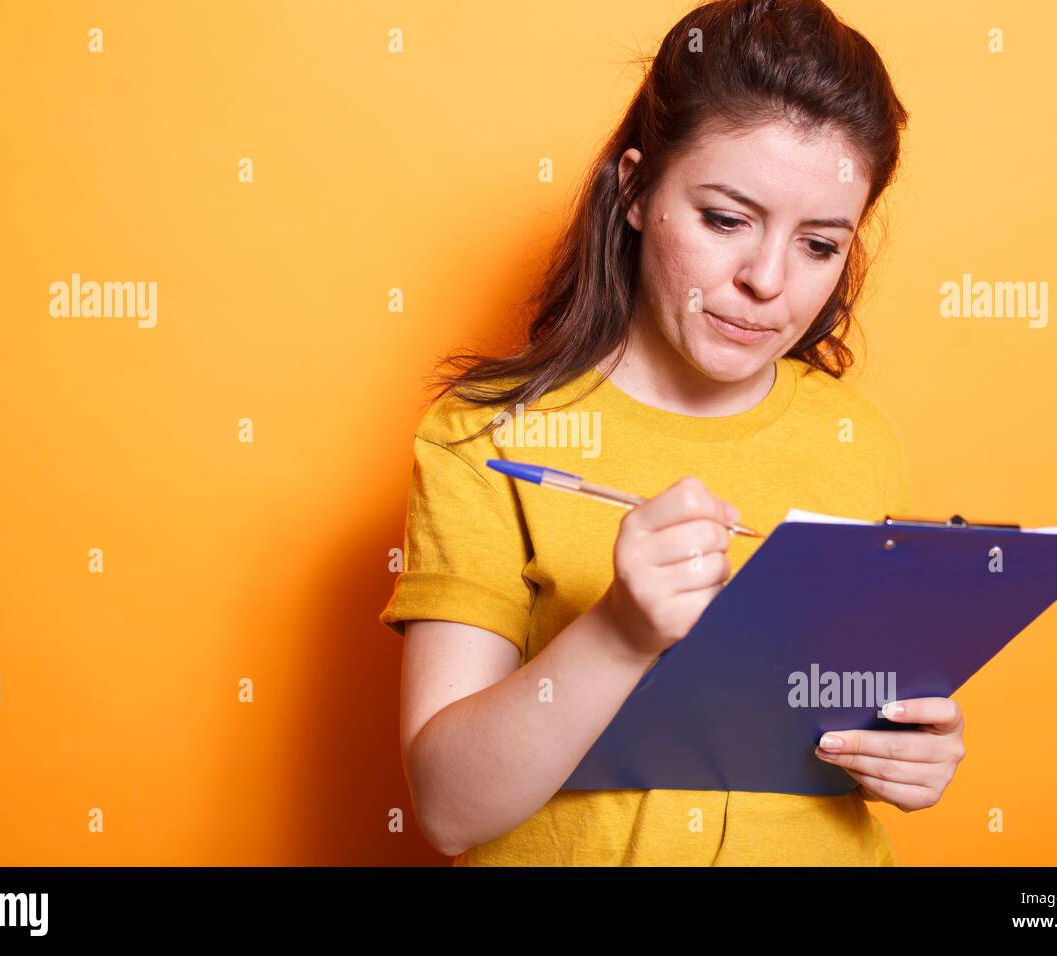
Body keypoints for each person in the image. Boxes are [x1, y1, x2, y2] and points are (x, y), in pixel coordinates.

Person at [379, 0, 964, 866]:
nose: (767, 281)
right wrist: (619, 629)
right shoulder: (484, 439)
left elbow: (849, 713)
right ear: (637, 191)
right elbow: (450, 807)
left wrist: (908, 750)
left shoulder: (855, 436)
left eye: (818, 244)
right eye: (726, 219)